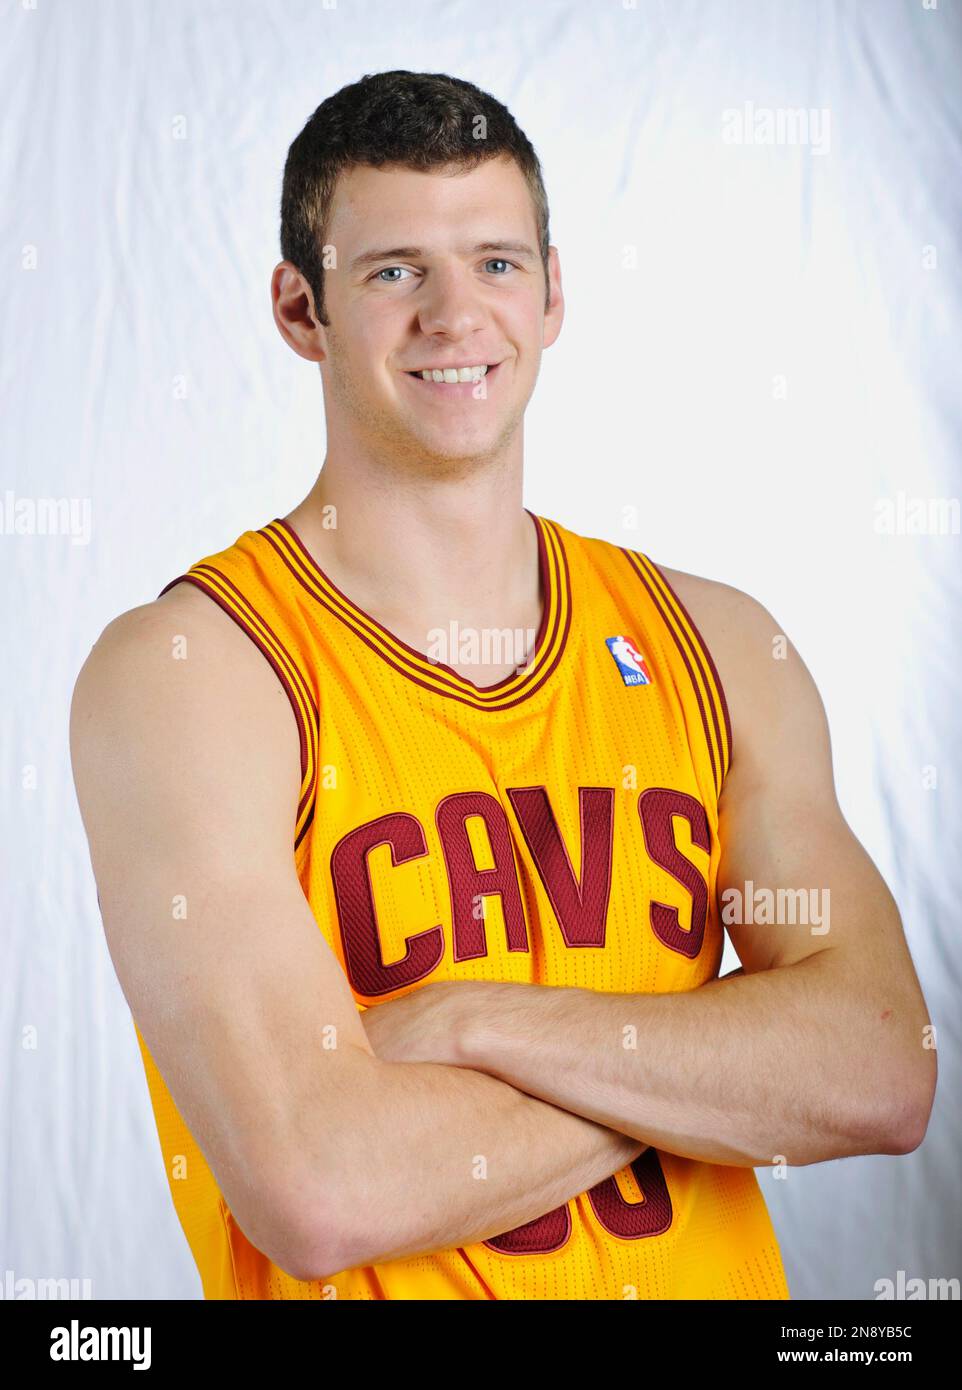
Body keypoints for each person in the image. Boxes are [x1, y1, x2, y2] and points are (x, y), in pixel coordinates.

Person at [69, 69, 935, 1301]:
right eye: (391, 271)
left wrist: (475, 1018)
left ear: (554, 290)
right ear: (300, 309)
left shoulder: (718, 644)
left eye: (494, 262)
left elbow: (883, 1069)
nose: (453, 315)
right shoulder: (193, 677)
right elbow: (319, 1186)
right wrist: (709, 1067)